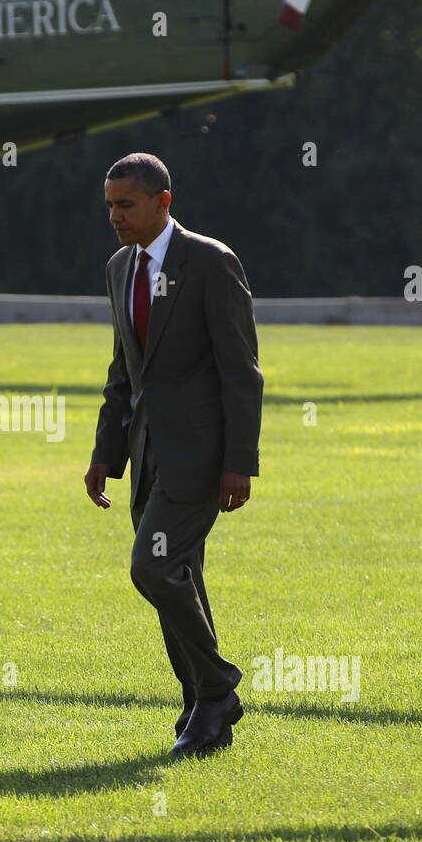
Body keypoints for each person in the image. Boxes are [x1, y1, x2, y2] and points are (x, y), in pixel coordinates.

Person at [84, 152, 263, 758]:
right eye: (110, 205)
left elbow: (242, 371)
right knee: (181, 575)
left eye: (126, 204)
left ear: (163, 202)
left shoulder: (211, 262)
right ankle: (201, 708)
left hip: (201, 456)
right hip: (146, 454)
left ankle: (217, 690)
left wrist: (240, 460)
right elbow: (123, 370)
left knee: (154, 568)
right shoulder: (117, 268)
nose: (115, 216)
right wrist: (105, 452)